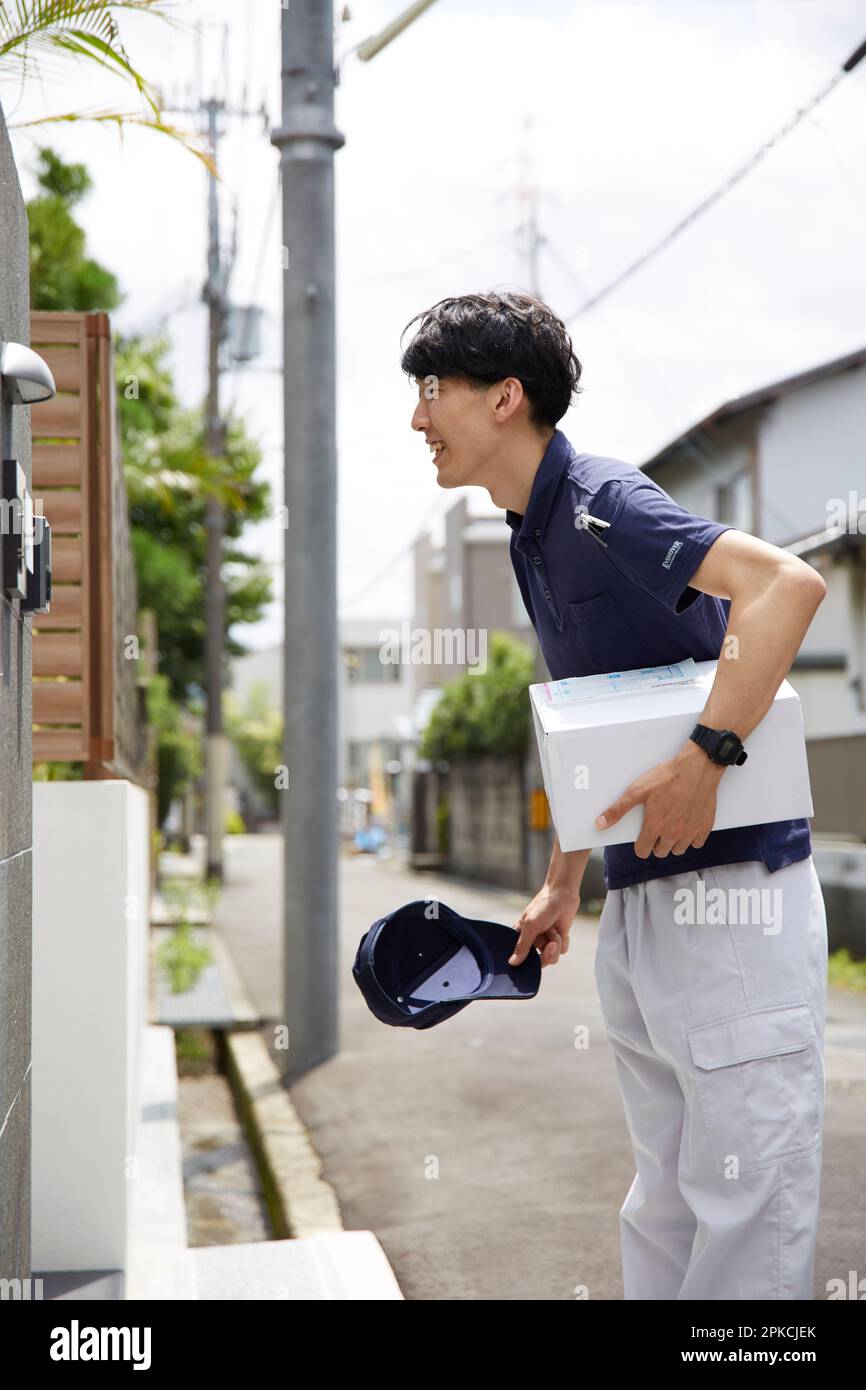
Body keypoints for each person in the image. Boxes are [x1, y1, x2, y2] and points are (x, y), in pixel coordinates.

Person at [400, 289, 829, 1301]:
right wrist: (562, 881)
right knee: (669, 1202)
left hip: (733, 900)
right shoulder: (529, 531)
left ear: (505, 398)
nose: (417, 418)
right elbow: (589, 717)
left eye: (432, 390)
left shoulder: (599, 499)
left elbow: (787, 586)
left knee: (747, 1210)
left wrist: (705, 751)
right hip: (642, 906)